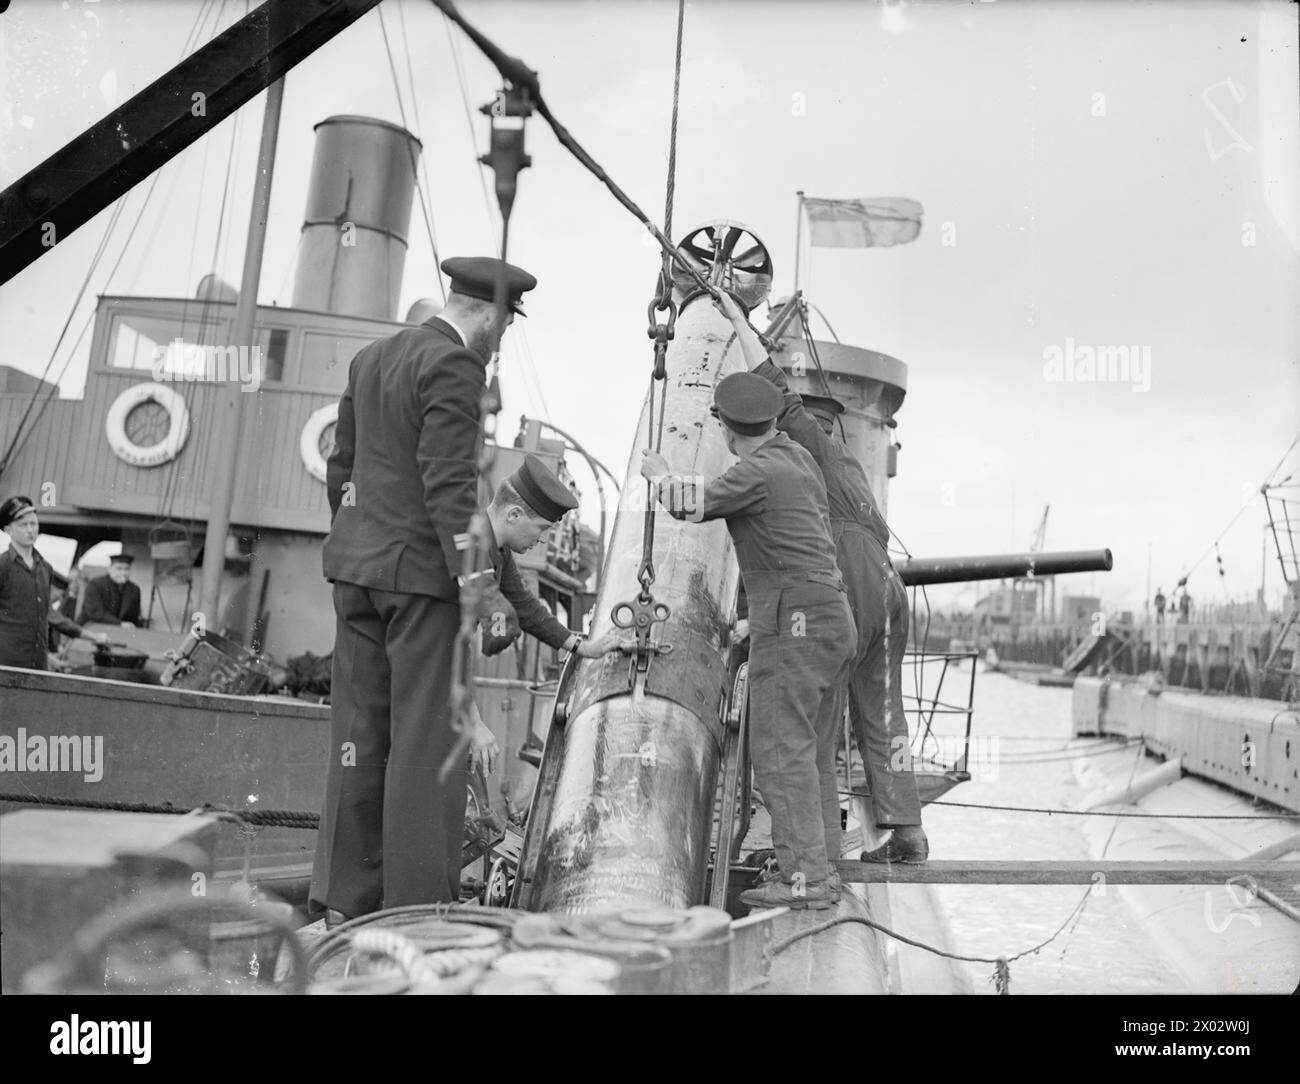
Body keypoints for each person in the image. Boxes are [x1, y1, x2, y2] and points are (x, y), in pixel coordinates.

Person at [310, 256, 545, 923]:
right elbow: (449, 490)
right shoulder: (458, 367)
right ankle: (416, 912)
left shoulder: (372, 357)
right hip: (420, 584)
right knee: (423, 747)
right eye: (504, 328)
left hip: (357, 574)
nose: (500, 342)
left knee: (358, 737)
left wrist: (362, 542)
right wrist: (484, 590)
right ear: (492, 315)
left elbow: (341, 471)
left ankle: (343, 903)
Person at [715, 292, 928, 864]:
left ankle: (820, 854)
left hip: (849, 581)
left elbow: (776, 395)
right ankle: (907, 830)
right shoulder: (847, 464)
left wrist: (738, 321)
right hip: (889, 586)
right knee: (884, 711)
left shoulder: (803, 448)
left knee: (818, 720)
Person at [641, 370, 856, 911]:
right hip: (834, 618)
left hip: (793, 624)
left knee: (780, 750)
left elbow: (690, 506)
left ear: (730, 431)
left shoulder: (756, 471)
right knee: (813, 751)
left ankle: (804, 879)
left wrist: (660, 473)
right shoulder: (799, 460)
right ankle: (821, 863)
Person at [477, 454, 623, 661]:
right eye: (542, 528)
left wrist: (584, 648)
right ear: (514, 515)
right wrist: (500, 619)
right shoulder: (465, 539)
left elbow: (527, 608)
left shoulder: (500, 553)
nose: (543, 540)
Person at [0, 496, 106, 669]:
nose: (30, 530)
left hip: (38, 664)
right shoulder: (3, 566)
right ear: (8, 530)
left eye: (33, 524)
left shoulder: (44, 568)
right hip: (6, 665)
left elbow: (48, 614)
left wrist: (88, 636)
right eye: (22, 525)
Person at [81, 552, 144, 626]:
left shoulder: (134, 589)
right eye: (119, 569)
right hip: (91, 627)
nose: (123, 573)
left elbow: (134, 617)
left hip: (118, 631)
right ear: (110, 569)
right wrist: (119, 623)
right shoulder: (95, 584)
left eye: (127, 569)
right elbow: (95, 612)